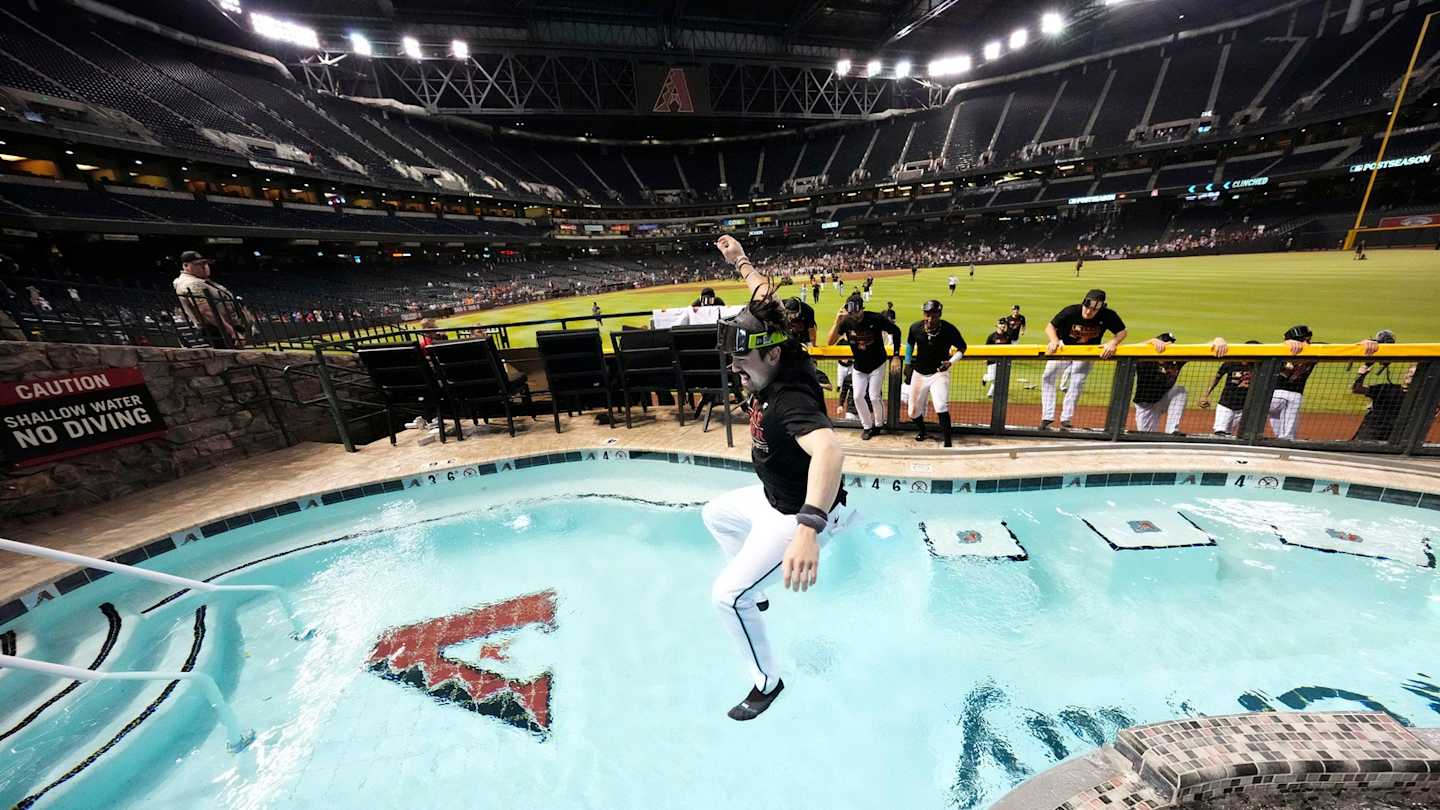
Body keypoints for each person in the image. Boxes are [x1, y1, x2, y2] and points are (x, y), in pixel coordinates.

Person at [705, 234, 853, 721]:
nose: (735, 369)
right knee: (716, 516)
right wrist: (740, 261)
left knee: (726, 597)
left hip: (799, 512)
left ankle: (766, 681)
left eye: (742, 359)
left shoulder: (791, 398)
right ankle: (760, 593)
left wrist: (809, 529)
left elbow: (830, 452)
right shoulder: (778, 347)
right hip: (772, 496)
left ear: (770, 356)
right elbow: (766, 299)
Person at [1041, 289, 1127, 430]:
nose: (1089, 312)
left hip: (1088, 352)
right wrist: (1054, 340)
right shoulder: (1071, 311)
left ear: (1100, 308)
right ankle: (1047, 417)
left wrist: (1113, 343)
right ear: (1084, 303)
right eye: (1087, 308)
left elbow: (1122, 332)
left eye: (1094, 310)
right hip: (1064, 347)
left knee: (1077, 382)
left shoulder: (1108, 315)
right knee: (1048, 377)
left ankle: (1066, 419)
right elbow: (1050, 326)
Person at [827, 292, 902, 440]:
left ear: (862, 309)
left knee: (874, 397)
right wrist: (837, 321)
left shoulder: (876, 318)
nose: (855, 316)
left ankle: (879, 424)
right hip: (859, 366)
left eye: (857, 312)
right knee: (857, 396)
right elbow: (830, 342)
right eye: (851, 313)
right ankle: (867, 426)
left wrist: (896, 355)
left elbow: (896, 331)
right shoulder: (846, 322)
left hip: (877, 364)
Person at [1132, 333, 1229, 434]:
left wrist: (1218, 340)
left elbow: (1201, 348)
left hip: (1163, 399)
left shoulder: (1176, 360)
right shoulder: (1145, 359)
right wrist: (1149, 341)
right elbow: (1131, 350)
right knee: (1147, 438)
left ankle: (1172, 431)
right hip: (1146, 405)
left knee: (1180, 391)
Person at [905, 300, 967, 447]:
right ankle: (922, 430)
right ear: (923, 314)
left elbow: (962, 348)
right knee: (912, 412)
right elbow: (909, 344)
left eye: (934, 315)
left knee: (941, 406)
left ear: (939, 314)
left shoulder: (948, 329)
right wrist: (907, 363)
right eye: (927, 315)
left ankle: (947, 441)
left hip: (939, 373)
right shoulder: (915, 327)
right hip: (919, 373)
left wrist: (950, 362)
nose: (930, 319)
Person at [172, 250, 244, 348]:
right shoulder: (191, 283)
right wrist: (232, 332)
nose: (204, 267)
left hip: (223, 328)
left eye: (205, 263)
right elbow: (207, 311)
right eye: (198, 264)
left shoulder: (201, 281)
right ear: (185, 266)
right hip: (218, 331)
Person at [1201, 341, 1261, 436]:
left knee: (1236, 435)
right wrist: (1205, 395)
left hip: (1244, 408)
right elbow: (1217, 377)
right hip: (1226, 404)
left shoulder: (1259, 366)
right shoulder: (1232, 362)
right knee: (1220, 433)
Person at [1352, 362, 1413, 442]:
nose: (1409, 375)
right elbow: (1357, 389)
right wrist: (1362, 374)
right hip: (1373, 430)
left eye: (1413, 374)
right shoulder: (1386, 388)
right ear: (1404, 375)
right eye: (1409, 372)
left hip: (1397, 433)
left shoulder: (1420, 396)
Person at [982, 317, 1011, 398]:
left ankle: (990, 394)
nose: (1003, 325)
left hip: (1003, 360)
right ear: (997, 325)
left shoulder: (1008, 336)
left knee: (999, 378)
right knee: (992, 377)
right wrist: (985, 358)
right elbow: (985, 348)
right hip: (992, 360)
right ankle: (985, 377)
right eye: (1001, 324)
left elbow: (1010, 349)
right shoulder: (992, 336)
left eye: (1004, 324)